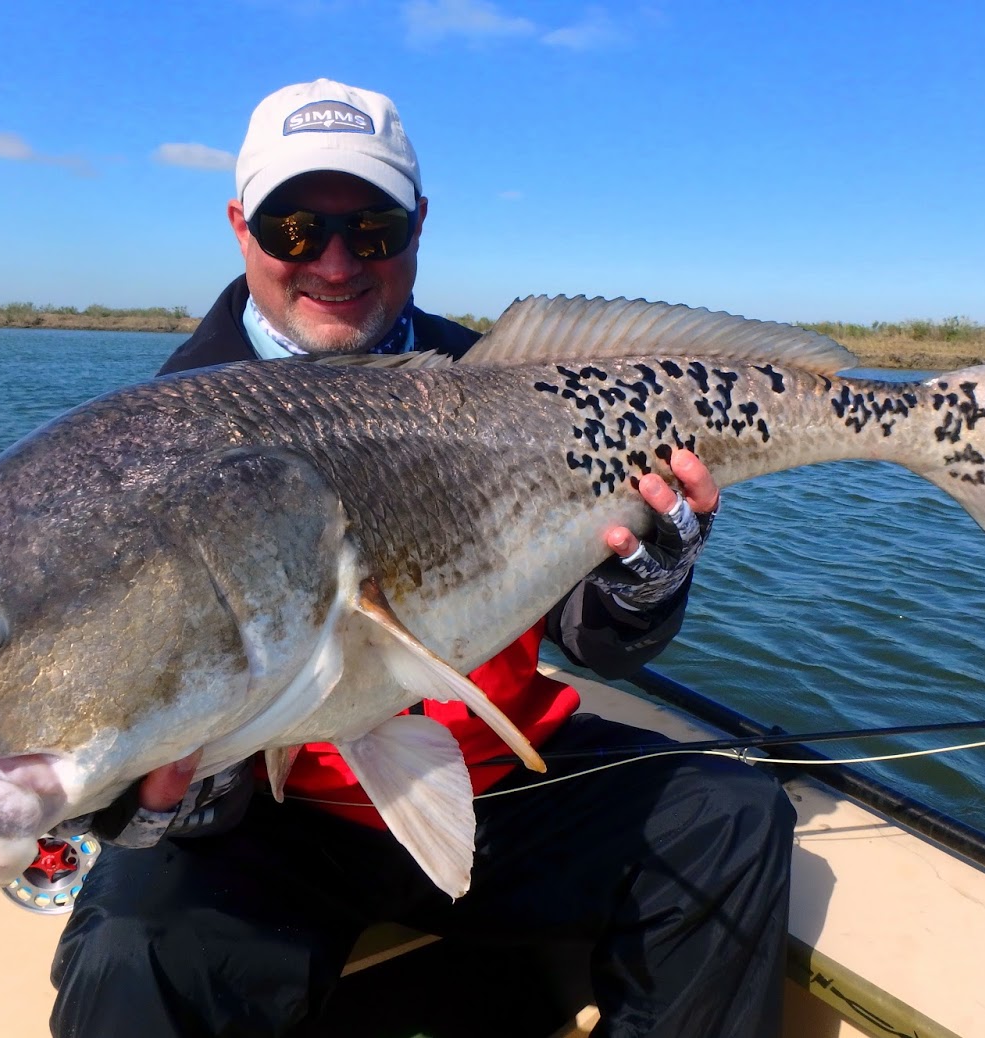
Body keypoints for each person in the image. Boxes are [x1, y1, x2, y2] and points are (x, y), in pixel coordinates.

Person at [50, 79, 795, 1038]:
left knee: (730, 819)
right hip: (277, 824)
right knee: (134, 951)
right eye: (291, 228)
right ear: (240, 226)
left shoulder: (520, 388)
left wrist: (647, 578)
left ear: (417, 226)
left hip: (510, 782)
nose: (330, 262)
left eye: (370, 228)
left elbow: (597, 645)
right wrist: (139, 801)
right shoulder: (159, 442)